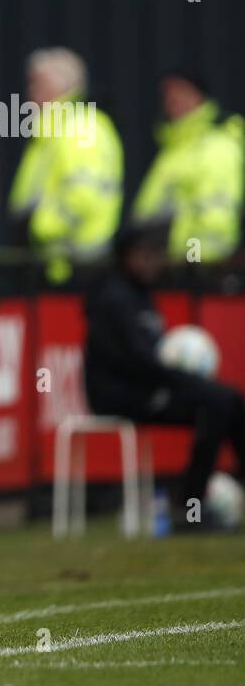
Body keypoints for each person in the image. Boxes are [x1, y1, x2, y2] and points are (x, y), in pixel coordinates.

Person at [84, 224, 245, 530]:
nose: (152, 263)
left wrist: (186, 381)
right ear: (125, 258)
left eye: (155, 256)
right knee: (216, 402)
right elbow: (141, 362)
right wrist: (188, 381)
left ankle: (195, 500)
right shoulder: (114, 299)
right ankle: (189, 508)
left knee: (229, 401)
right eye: (143, 256)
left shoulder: (141, 295)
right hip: (120, 394)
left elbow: (154, 358)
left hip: (148, 386)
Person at [8, 47, 124, 284]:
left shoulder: (81, 129)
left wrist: (40, 229)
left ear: (63, 87)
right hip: (53, 265)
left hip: (75, 267)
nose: (31, 94)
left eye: (38, 85)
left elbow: (82, 195)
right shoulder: (52, 131)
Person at [132, 70, 243, 264]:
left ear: (199, 96)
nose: (172, 100)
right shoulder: (175, 146)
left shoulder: (215, 146)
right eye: (168, 94)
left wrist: (195, 263)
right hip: (164, 265)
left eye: (181, 92)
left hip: (194, 269)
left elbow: (216, 218)